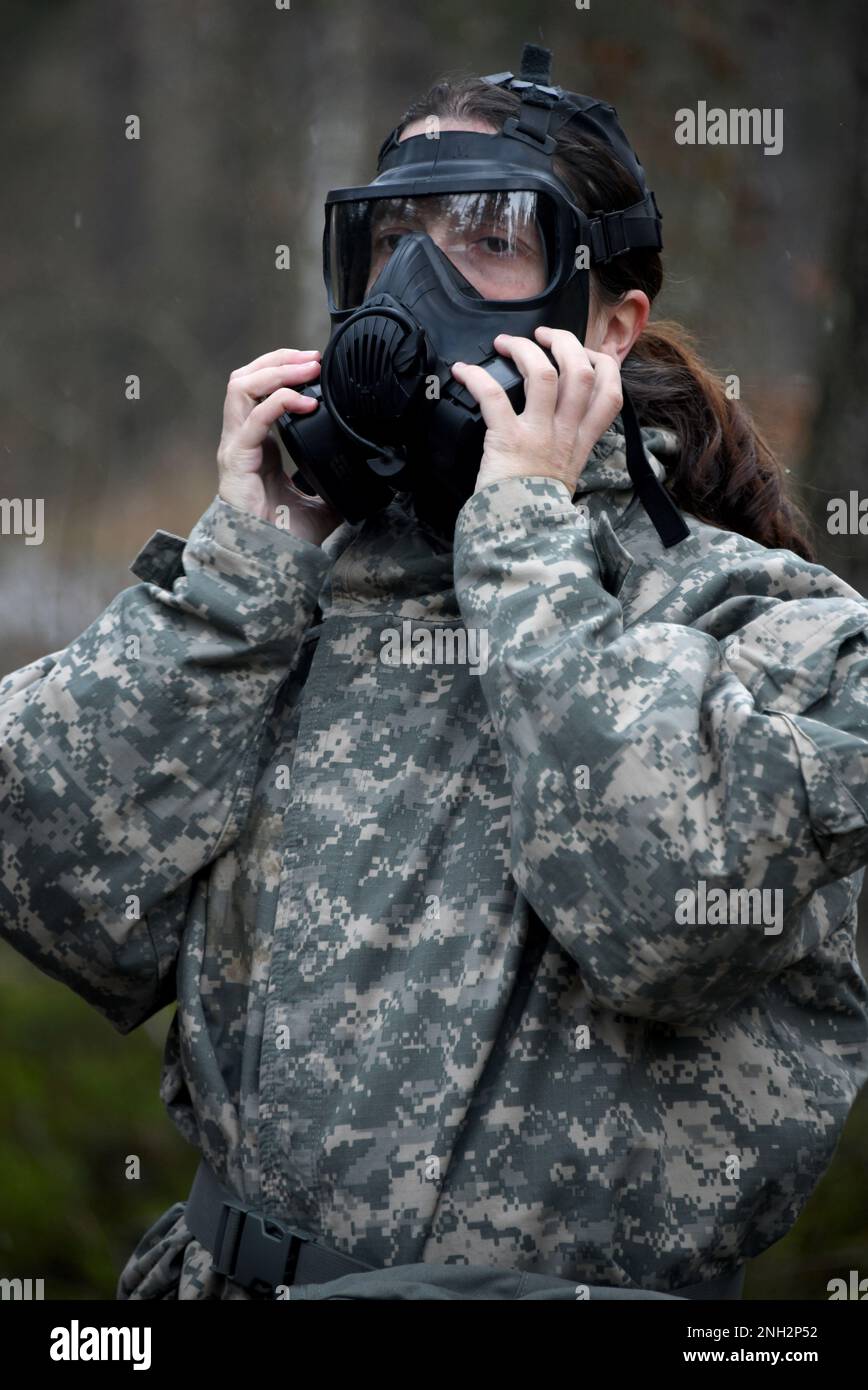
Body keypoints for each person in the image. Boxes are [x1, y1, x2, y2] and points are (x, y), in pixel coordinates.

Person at [2, 46, 868, 1303]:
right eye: (390, 238)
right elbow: (55, 874)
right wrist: (242, 572)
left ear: (609, 323)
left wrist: (523, 541)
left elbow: (667, 916)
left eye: (485, 236)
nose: (417, 283)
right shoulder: (298, 590)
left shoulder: (772, 623)